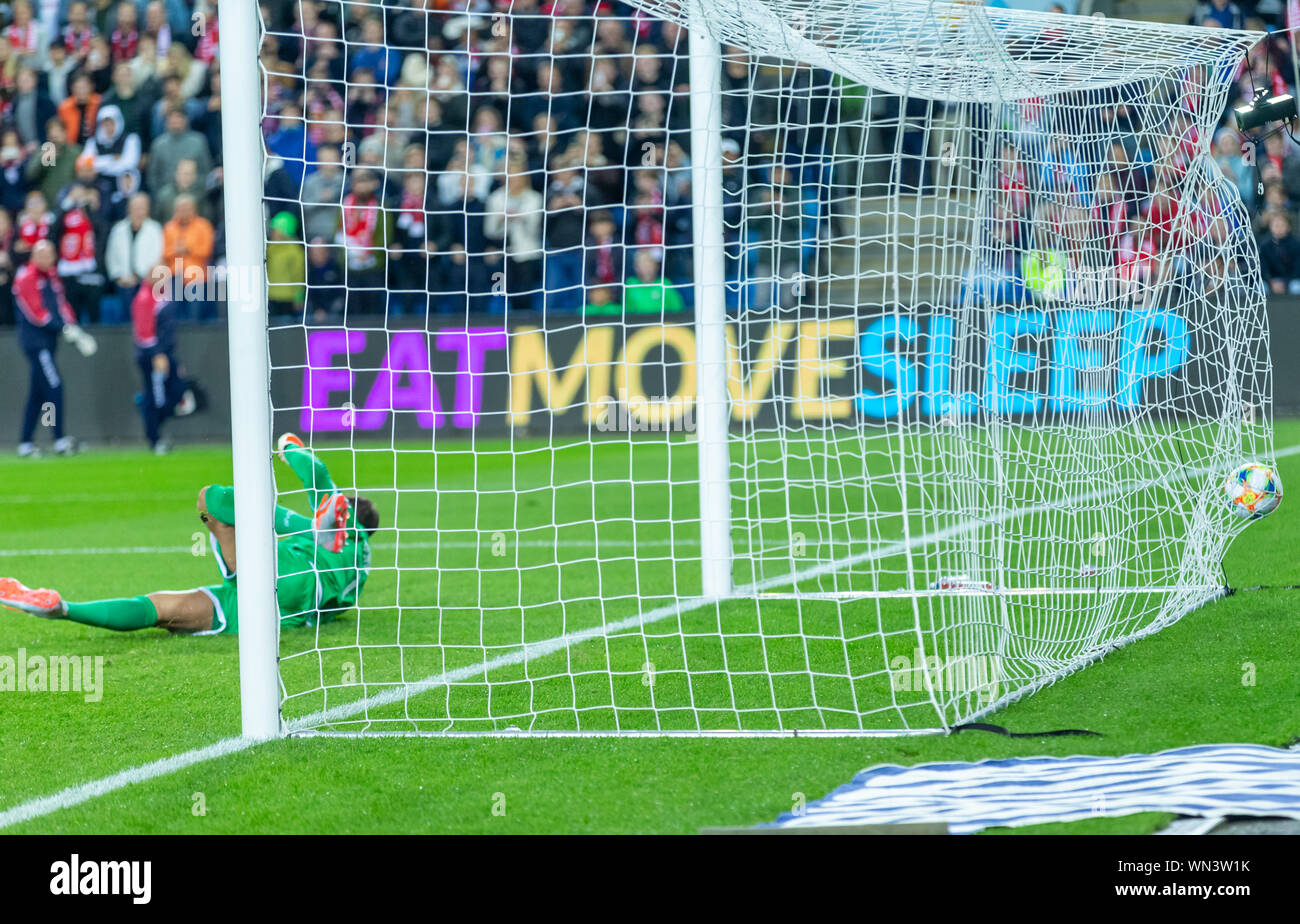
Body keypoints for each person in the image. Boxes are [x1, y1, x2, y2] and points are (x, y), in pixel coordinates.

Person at [0, 435, 379, 636]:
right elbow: (333, 608)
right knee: (163, 611)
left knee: (212, 499)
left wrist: (288, 446)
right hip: (277, 610)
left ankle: (68, 609)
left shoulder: (343, 528)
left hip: (286, 570)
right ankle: (61, 609)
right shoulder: (359, 572)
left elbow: (316, 470)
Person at [13, 240, 96, 458]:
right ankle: (59, 440)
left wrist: (75, 330)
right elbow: (36, 313)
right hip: (36, 343)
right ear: (33, 257)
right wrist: (65, 329)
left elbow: (62, 305)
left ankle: (25, 443)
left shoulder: (51, 276)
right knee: (54, 387)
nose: (47, 259)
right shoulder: (26, 278)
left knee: (38, 394)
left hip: (49, 343)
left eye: (50, 254)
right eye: (42, 255)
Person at [130, 263, 201, 453]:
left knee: (178, 391)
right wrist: (157, 354)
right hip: (152, 356)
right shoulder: (145, 298)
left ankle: (144, 408)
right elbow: (143, 332)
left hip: (166, 353)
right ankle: (154, 439)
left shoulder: (163, 294)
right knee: (156, 398)